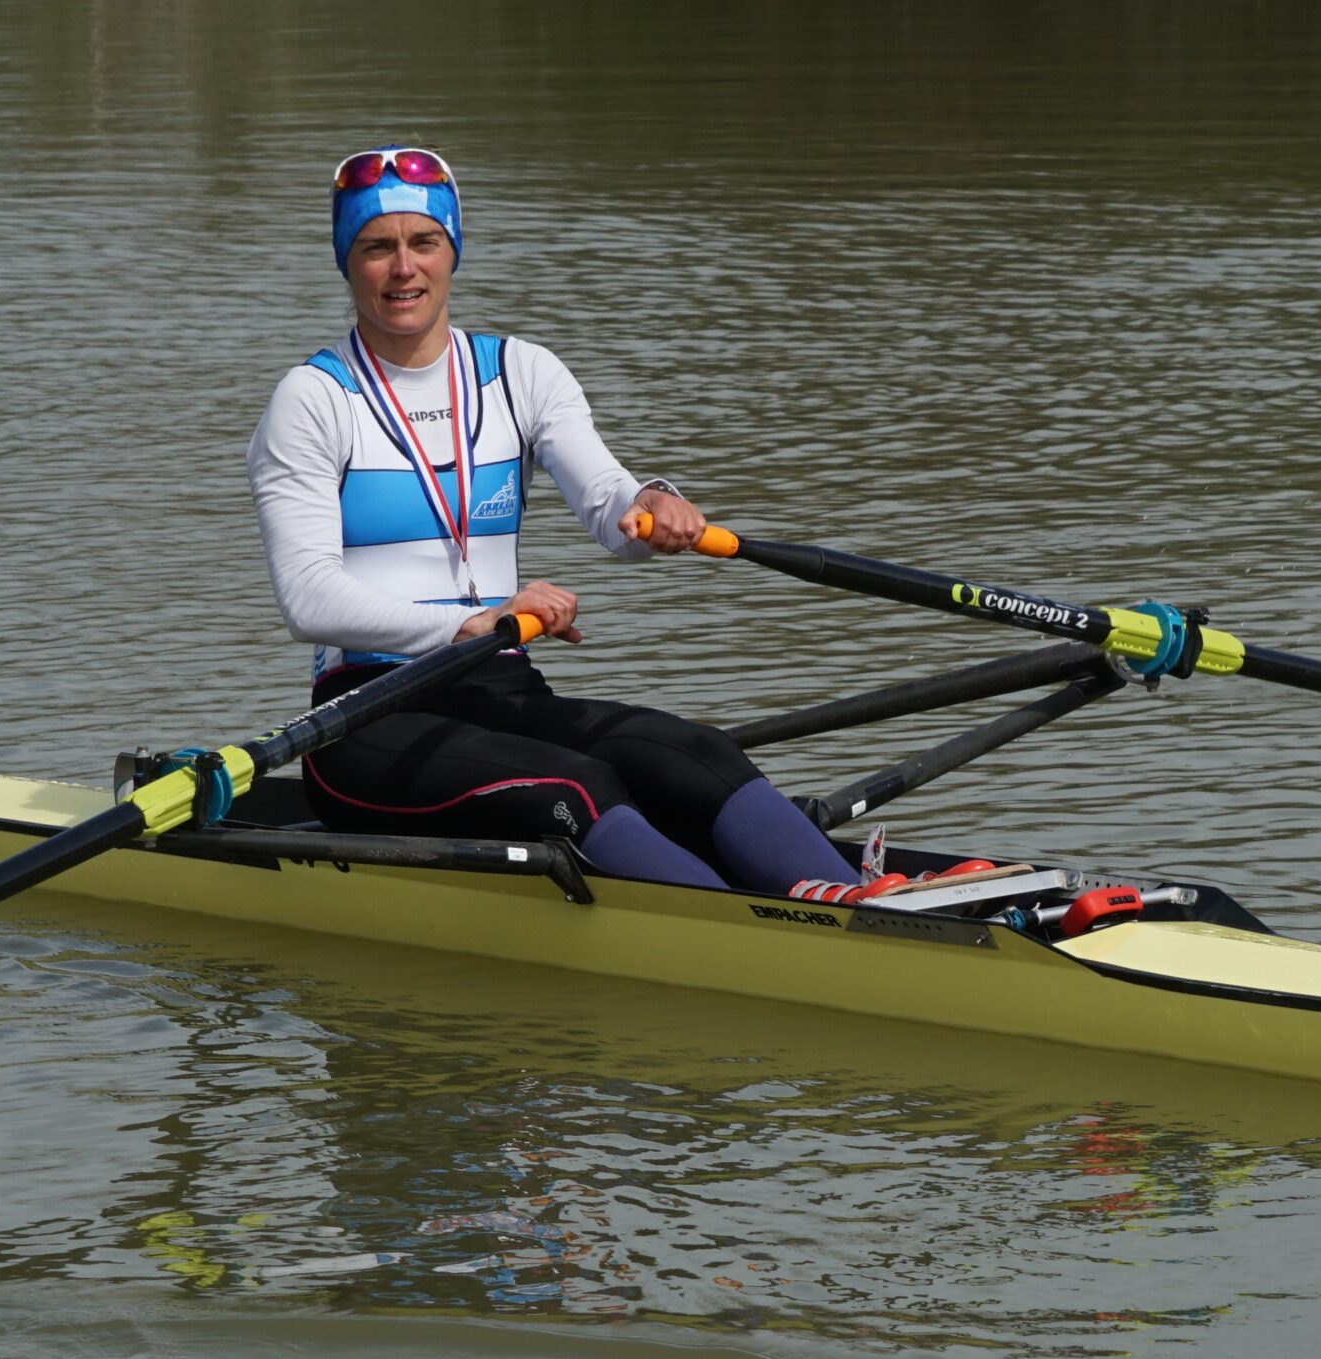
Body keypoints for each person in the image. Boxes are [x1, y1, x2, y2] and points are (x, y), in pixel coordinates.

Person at [246, 145, 863, 897]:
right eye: (377, 247)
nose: (403, 268)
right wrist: (473, 622)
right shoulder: (313, 400)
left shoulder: (521, 373)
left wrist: (650, 504)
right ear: (348, 262)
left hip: (504, 695)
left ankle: (851, 900)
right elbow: (306, 598)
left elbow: (608, 502)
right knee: (579, 786)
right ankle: (750, 929)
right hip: (366, 725)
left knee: (697, 754)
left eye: (423, 243)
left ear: (452, 252)